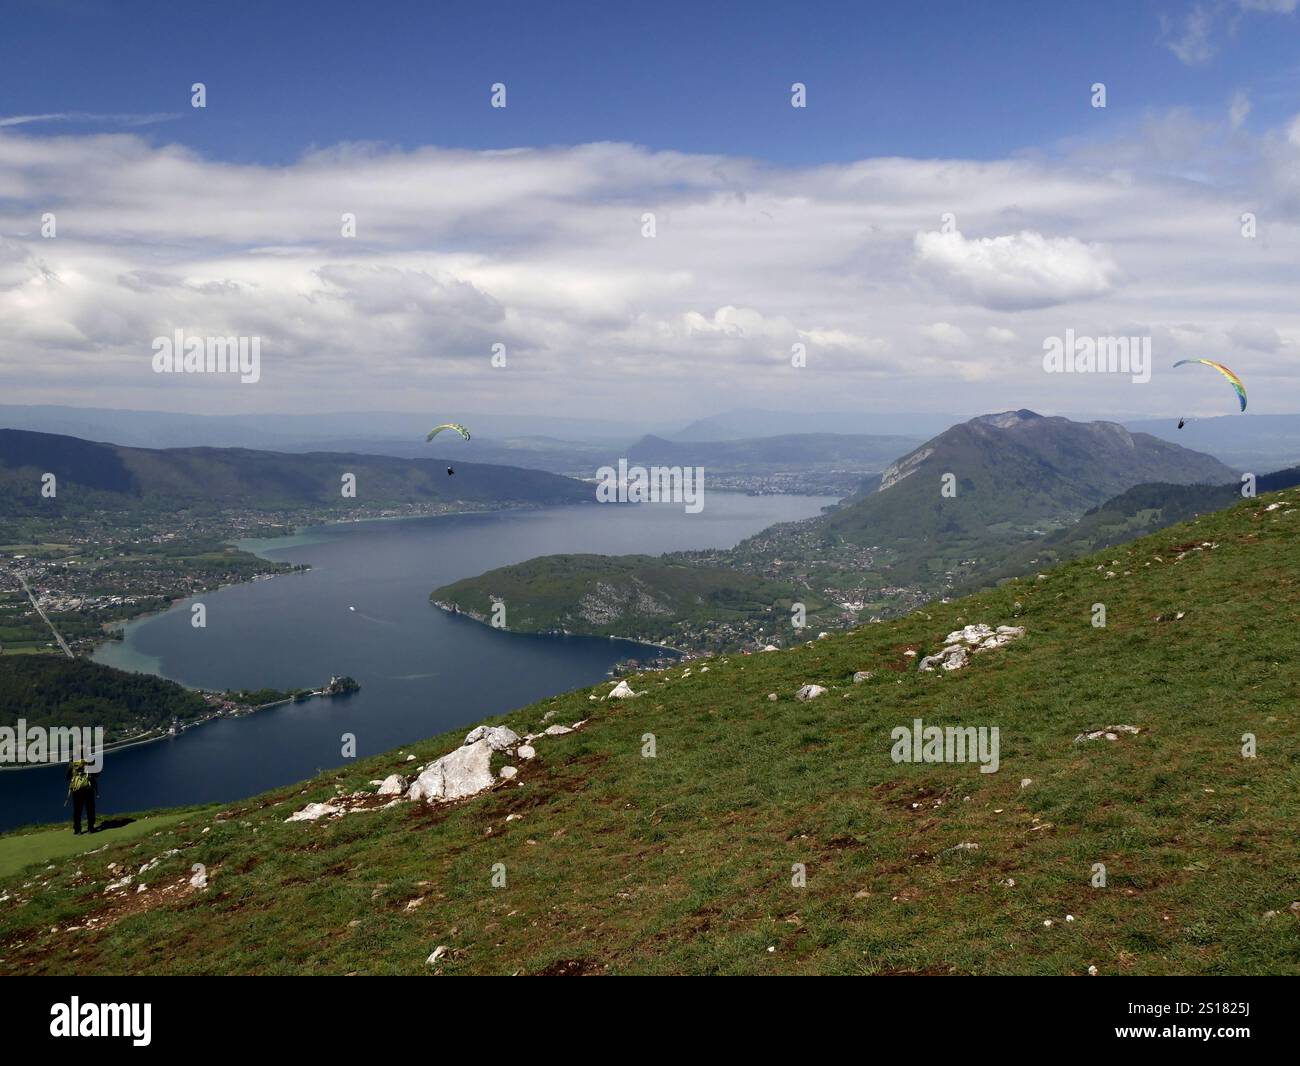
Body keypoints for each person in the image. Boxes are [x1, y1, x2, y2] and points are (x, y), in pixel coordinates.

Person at [66, 758, 99, 835]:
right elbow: (97, 774)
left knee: (77, 810)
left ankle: (77, 830)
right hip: (88, 788)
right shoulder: (90, 760)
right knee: (90, 809)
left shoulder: (73, 761)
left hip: (77, 790)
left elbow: (68, 776)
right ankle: (91, 828)